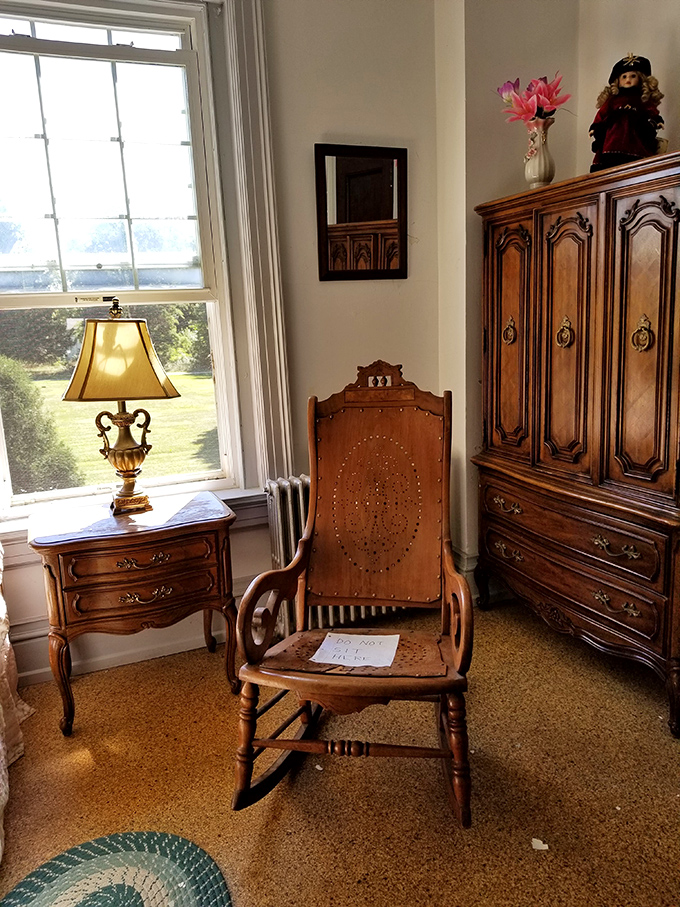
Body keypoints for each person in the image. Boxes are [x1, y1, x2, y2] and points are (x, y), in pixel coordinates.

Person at [589, 53, 664, 173]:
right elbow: (602, 113)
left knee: (638, 150)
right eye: (624, 77)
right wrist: (595, 126)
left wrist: (657, 120)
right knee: (609, 154)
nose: (628, 80)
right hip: (613, 139)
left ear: (640, 78)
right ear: (618, 81)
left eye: (632, 76)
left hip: (635, 135)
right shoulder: (613, 100)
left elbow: (650, 110)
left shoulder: (641, 99)